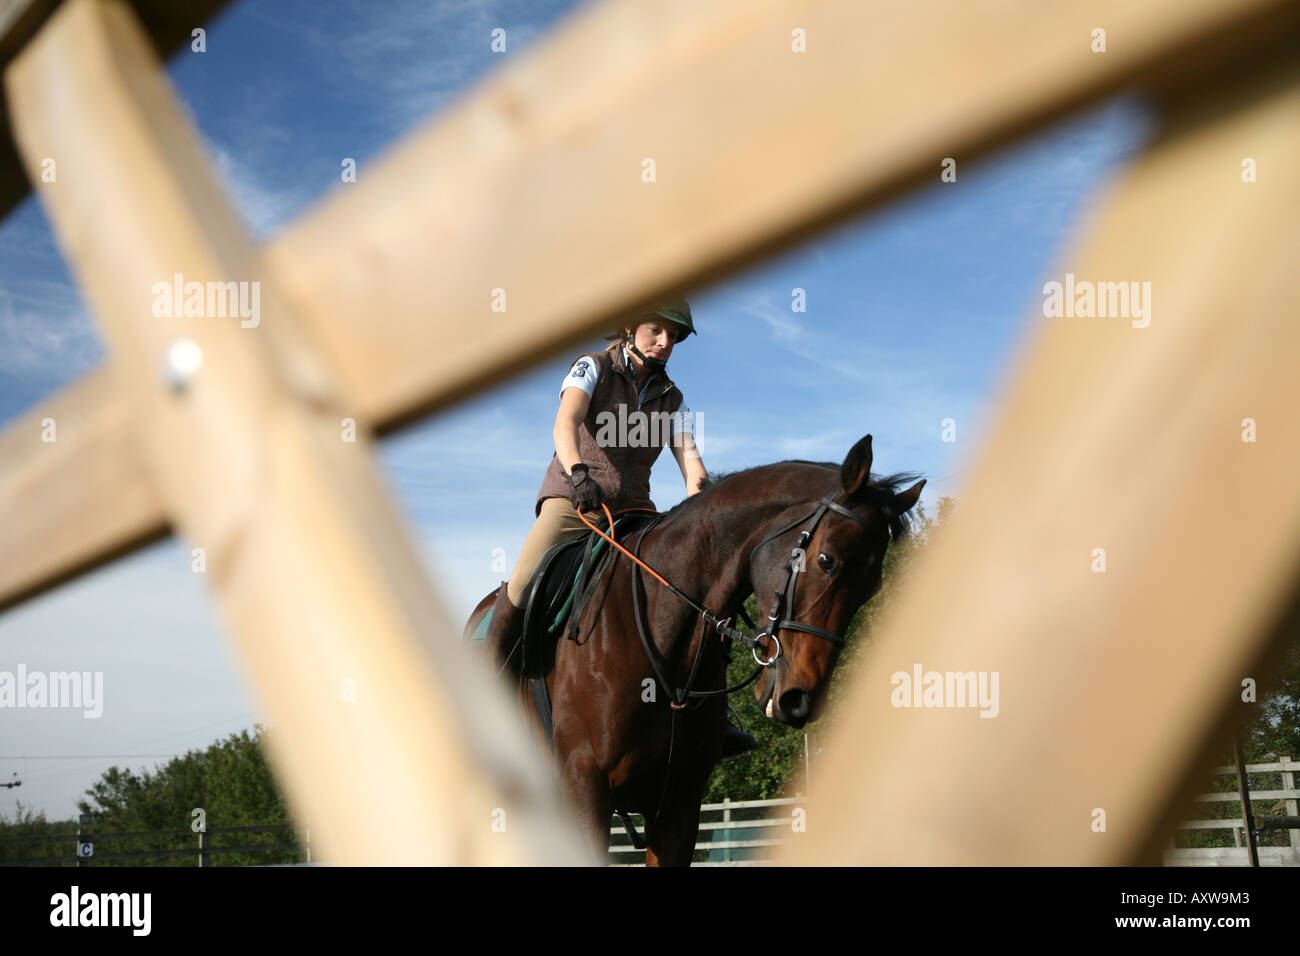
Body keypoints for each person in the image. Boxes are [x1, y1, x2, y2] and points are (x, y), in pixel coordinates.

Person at [482, 298, 756, 758]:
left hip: (635, 514)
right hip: (574, 503)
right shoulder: (592, 367)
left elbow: (694, 469)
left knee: (696, 594)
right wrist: (578, 473)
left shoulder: (674, 399)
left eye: (674, 337)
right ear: (631, 327)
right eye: (655, 331)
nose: (664, 343)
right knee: (523, 584)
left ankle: (715, 717)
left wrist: (708, 522)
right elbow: (565, 423)